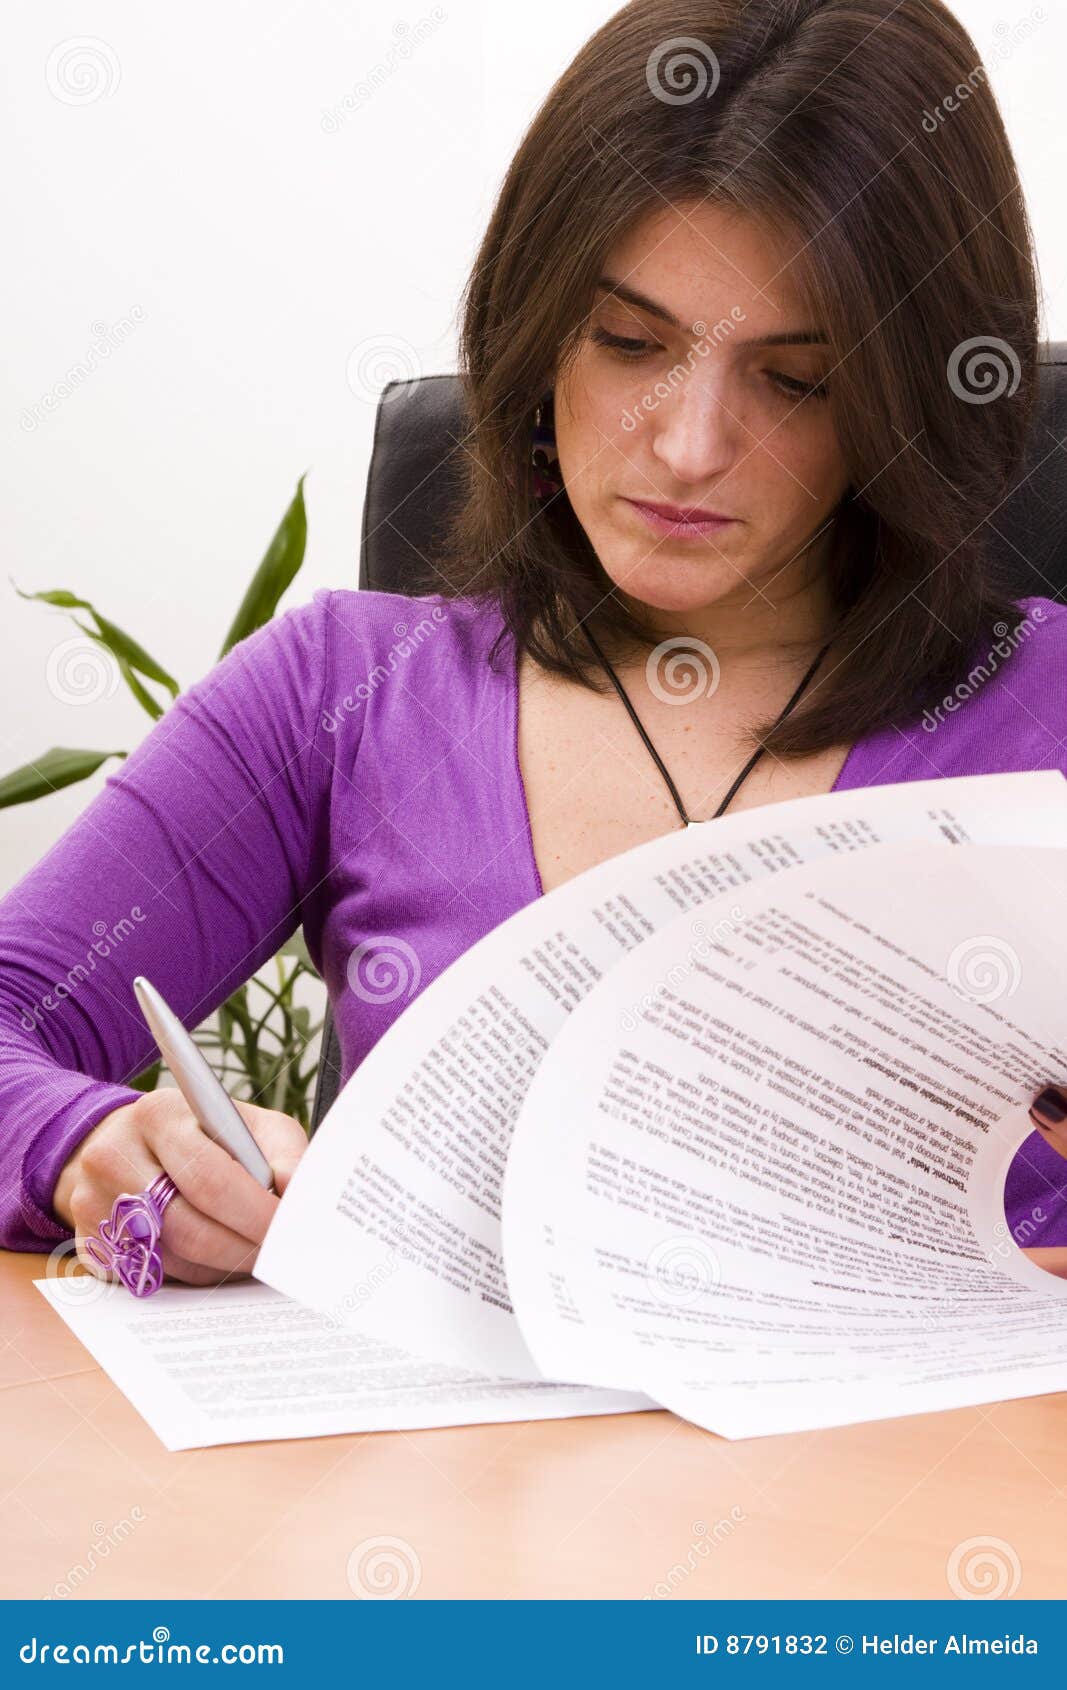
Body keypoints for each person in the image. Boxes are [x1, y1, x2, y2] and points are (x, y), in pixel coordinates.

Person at [2, 0, 1066, 1288]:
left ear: (912, 392)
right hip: (438, 1484)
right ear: (534, 332)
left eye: (797, 377)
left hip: (928, 1487)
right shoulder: (342, 693)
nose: (687, 445)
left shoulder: (1044, 711)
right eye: (630, 344)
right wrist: (84, 1143)